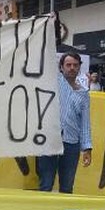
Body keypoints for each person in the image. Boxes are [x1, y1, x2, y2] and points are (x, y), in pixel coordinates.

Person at [37, 51, 92, 193]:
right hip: (50, 140)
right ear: (61, 67)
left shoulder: (84, 93)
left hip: (71, 143)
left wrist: (87, 148)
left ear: (80, 67)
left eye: (75, 65)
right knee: (46, 184)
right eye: (68, 65)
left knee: (67, 187)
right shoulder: (52, 82)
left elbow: (85, 122)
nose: (72, 68)